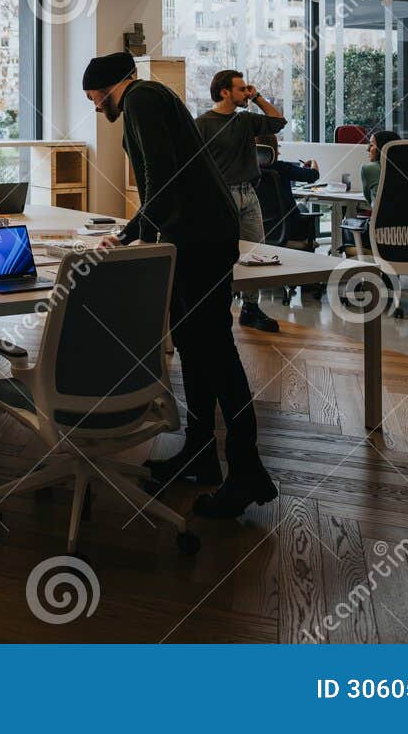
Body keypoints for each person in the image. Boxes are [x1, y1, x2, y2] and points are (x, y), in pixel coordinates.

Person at [82, 51, 278, 520]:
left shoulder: (141, 99)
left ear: (108, 87)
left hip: (201, 238)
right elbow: (163, 182)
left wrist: (127, 234)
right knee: (193, 345)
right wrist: (144, 235)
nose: (93, 105)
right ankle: (200, 452)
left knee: (216, 351)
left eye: (92, 96)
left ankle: (247, 470)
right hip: (192, 236)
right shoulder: (150, 99)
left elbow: (160, 178)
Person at [195, 69, 288, 333]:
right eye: (241, 89)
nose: (246, 92)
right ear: (224, 92)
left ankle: (250, 308)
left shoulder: (245, 120)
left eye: (248, 89)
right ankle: (217, 308)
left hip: (249, 194)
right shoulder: (202, 124)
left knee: (256, 253)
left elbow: (278, 122)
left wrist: (257, 97)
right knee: (220, 255)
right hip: (220, 196)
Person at [255, 136, 321, 247]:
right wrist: (313, 162)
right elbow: (313, 175)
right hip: (290, 229)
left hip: (261, 227)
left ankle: (287, 243)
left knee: (300, 208)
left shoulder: (249, 170)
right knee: (303, 209)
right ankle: (303, 245)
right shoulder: (282, 167)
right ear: (273, 148)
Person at [361, 129, 401, 205]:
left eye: (371, 145)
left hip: (383, 213)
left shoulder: (369, 169)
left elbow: (370, 202)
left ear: (382, 148)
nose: (368, 149)